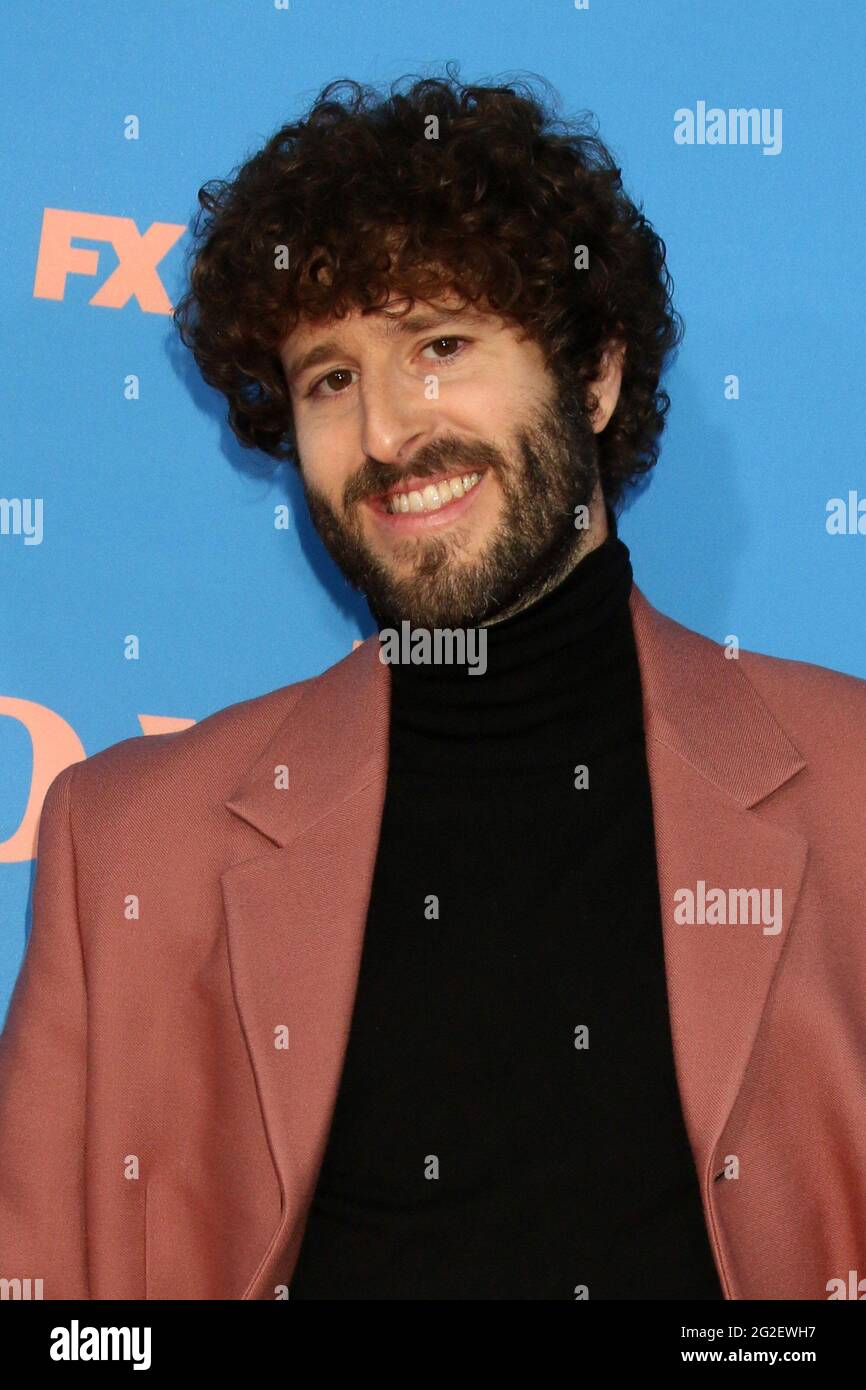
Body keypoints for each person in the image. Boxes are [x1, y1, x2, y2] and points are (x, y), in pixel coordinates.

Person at [1, 72, 864, 1301]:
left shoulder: (851, 789)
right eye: (329, 380)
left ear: (595, 375)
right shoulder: (130, 843)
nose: (390, 433)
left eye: (440, 346)